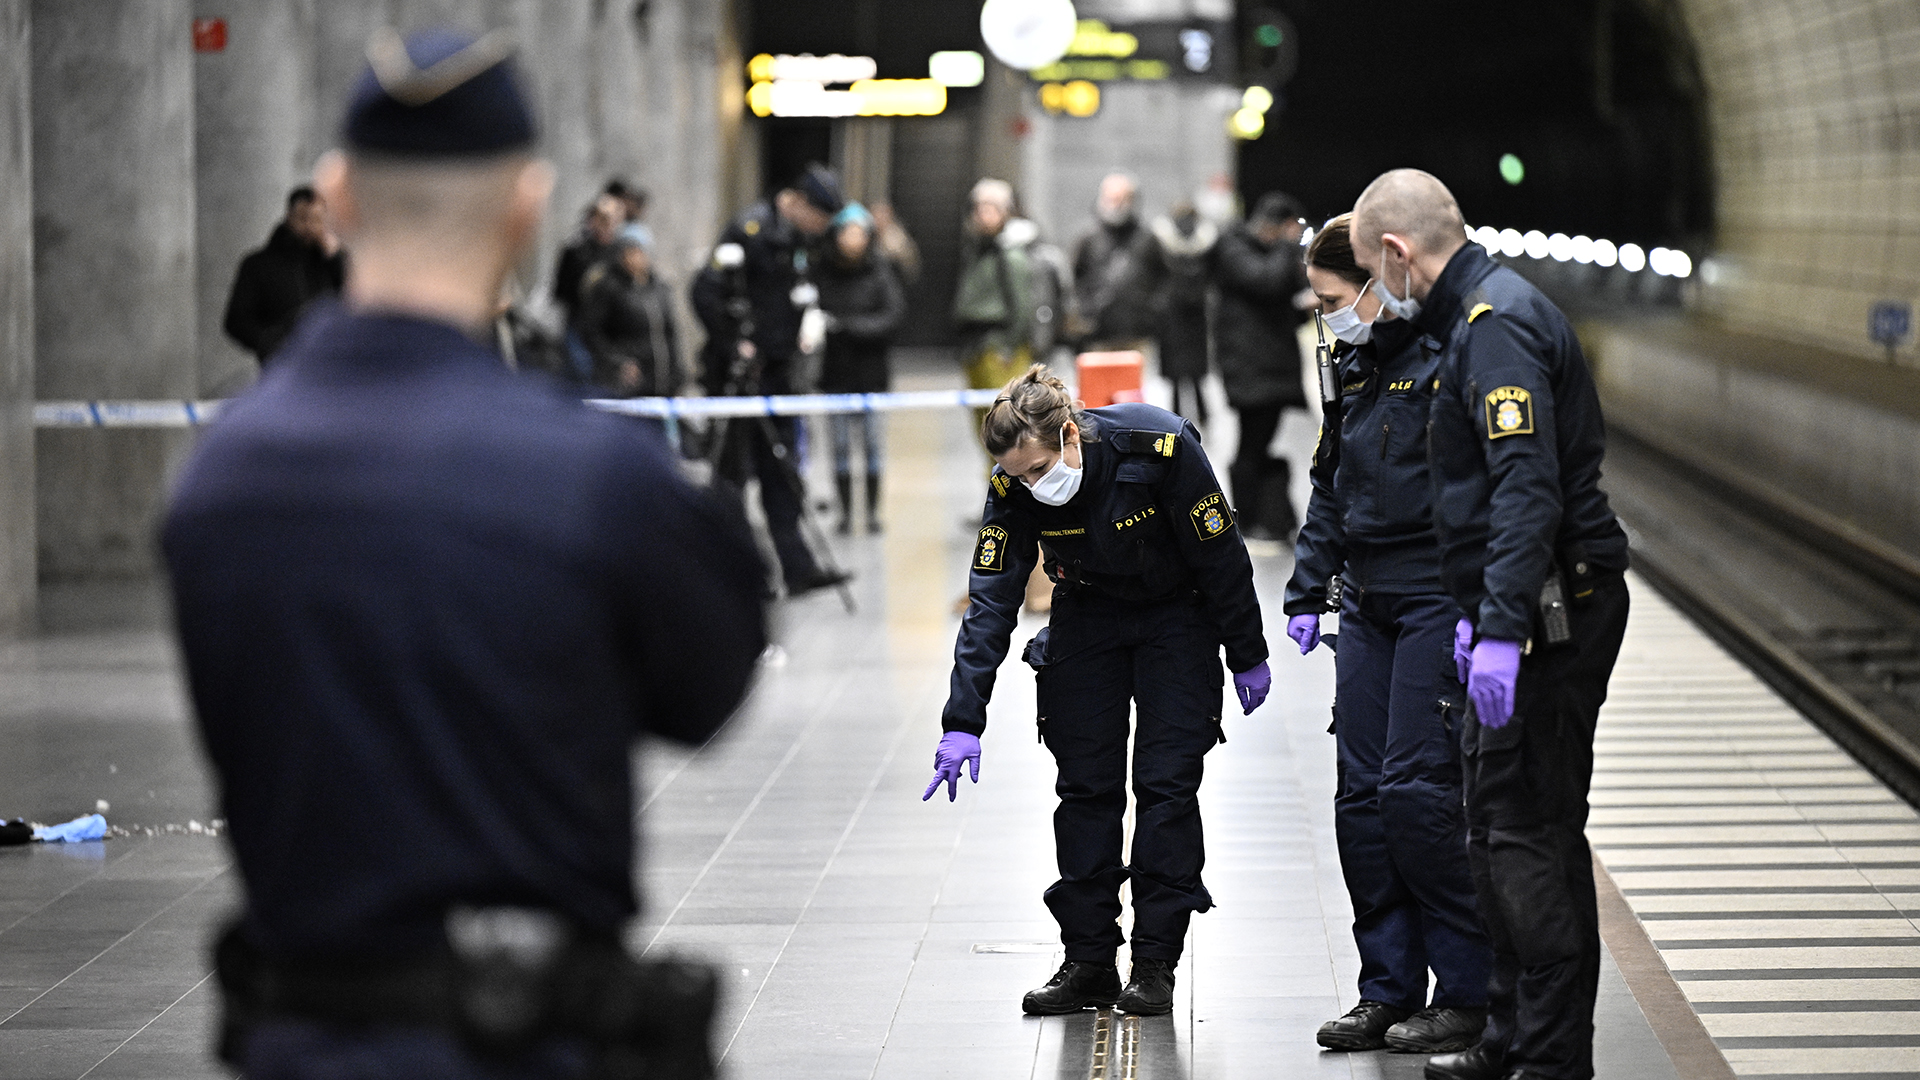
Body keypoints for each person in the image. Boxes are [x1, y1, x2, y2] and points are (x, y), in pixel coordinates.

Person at [163, 27, 768, 1080]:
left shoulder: (219, 483)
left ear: (338, 196)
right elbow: (709, 689)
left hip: (300, 1040)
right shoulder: (588, 477)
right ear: (527, 208)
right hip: (529, 1046)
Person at [1351, 169, 1631, 1080]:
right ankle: (1509, 1036)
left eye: (1369, 273)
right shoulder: (1471, 320)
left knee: (1527, 835)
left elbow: (1525, 489)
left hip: (1553, 612)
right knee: (1493, 828)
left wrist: (1503, 628)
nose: (1370, 297)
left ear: (1398, 253)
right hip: (1518, 610)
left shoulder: (1494, 326)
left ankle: (1550, 1061)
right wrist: (1482, 615)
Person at [923, 365, 1271, 1017]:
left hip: (1177, 617)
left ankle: (1154, 963)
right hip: (1085, 615)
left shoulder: (1159, 446)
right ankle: (1087, 961)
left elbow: (1222, 557)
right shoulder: (1011, 481)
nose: (1031, 484)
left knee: (1167, 789)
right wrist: (962, 718)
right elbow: (992, 599)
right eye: (1018, 475)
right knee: (1085, 790)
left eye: (1038, 469)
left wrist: (1246, 652)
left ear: (1072, 436)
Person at [1283, 214, 1492, 1056]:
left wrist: (1491, 608)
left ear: (1378, 282)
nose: (1326, 315)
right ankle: (1387, 988)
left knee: (1420, 798)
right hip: (1365, 602)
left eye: (1334, 299)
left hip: (1435, 598)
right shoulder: (1353, 359)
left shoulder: (1451, 358)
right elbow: (1332, 477)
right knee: (1360, 802)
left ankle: (1468, 990)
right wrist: (1306, 586)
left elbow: (1491, 488)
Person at [690, 163, 851, 596]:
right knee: (732, 476)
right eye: (819, 217)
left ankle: (797, 568)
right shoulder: (748, 230)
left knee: (782, 472)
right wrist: (733, 344)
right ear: (796, 201)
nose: (821, 229)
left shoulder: (798, 241)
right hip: (736, 378)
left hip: (778, 375)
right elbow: (704, 292)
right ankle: (743, 574)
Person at [1213, 191, 1312, 540]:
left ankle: (1262, 518)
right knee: (1251, 445)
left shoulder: (1272, 252)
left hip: (1271, 368)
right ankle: (1247, 518)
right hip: (1250, 369)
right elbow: (1266, 282)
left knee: (1257, 444)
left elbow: (1293, 296)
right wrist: (1287, 247)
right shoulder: (1234, 247)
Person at [816, 202, 906, 534]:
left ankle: (870, 512)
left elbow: (892, 316)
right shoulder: (823, 272)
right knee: (838, 446)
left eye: (859, 233)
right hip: (835, 373)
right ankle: (844, 512)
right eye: (847, 233)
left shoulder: (880, 271)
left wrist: (848, 327)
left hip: (871, 372)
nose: (852, 240)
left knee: (871, 445)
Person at [952, 178, 1040, 431]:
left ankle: (1007, 472)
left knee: (1005, 423)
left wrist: (1009, 346)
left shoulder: (1010, 252)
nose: (983, 215)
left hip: (1000, 346)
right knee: (982, 423)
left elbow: (1022, 304)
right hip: (975, 345)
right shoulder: (978, 249)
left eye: (991, 208)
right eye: (979, 208)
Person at [221, 186, 346, 364]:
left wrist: (336, 259)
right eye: (303, 218)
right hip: (281, 369)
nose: (310, 227)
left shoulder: (334, 263)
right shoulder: (259, 265)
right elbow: (237, 321)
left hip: (330, 368)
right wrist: (270, 343)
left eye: (317, 220)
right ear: (289, 217)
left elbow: (360, 301)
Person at [578, 223, 680, 398]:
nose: (635, 257)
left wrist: (677, 372)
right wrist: (618, 363)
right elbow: (591, 333)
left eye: (640, 251)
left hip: (661, 383)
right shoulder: (608, 288)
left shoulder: (659, 288)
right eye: (629, 252)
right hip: (627, 383)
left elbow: (669, 333)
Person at [1069, 172, 1164, 351]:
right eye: (1111, 198)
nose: (1115, 204)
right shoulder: (1088, 240)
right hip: (1097, 335)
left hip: (1137, 334)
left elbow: (1164, 278)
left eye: (1121, 199)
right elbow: (1075, 279)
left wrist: (1151, 312)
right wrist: (1087, 310)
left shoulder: (1147, 239)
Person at [1148, 199, 1218, 426]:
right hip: (1197, 314)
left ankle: (1176, 419)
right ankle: (1204, 417)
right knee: (1197, 375)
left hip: (1172, 315)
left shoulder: (1160, 239)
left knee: (1176, 378)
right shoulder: (1208, 240)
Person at [869, 201, 922, 286]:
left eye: (882, 214)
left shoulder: (896, 236)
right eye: (875, 215)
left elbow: (906, 265)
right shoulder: (869, 234)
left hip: (897, 280)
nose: (878, 219)